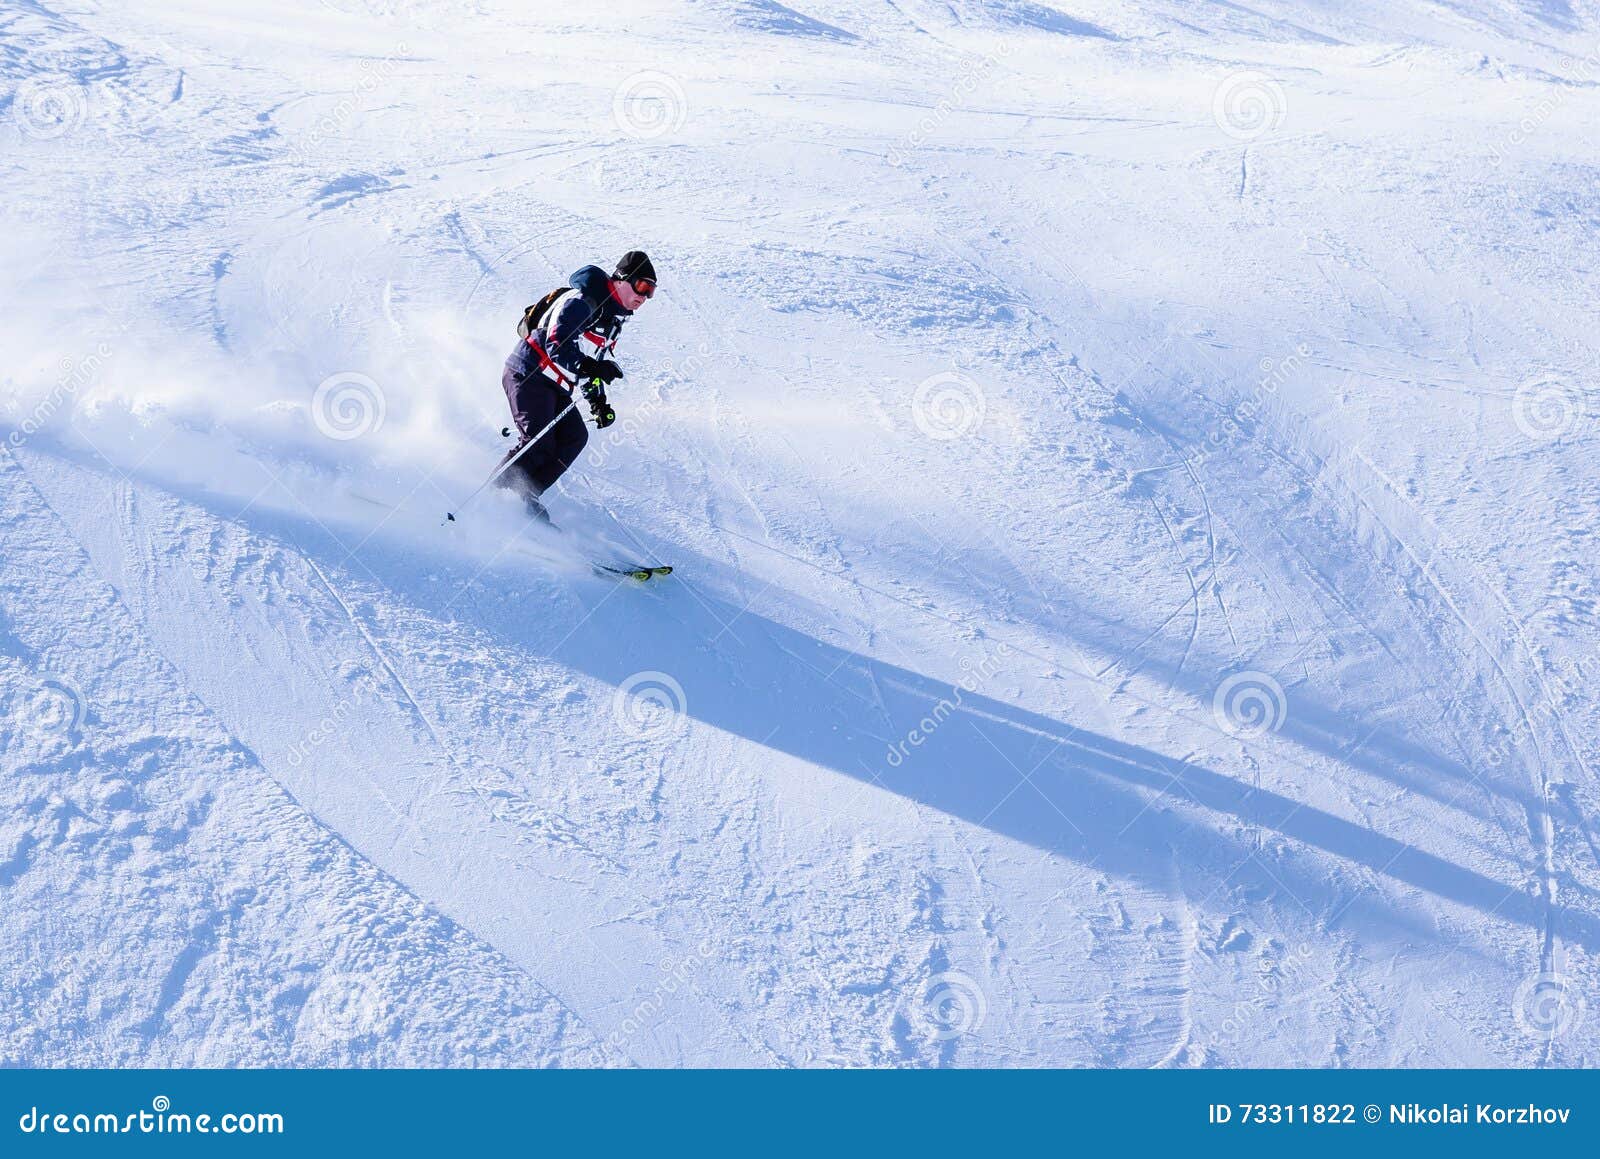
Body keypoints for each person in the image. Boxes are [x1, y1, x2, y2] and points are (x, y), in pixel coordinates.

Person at [497, 250, 657, 521]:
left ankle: (526, 496)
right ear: (620, 280)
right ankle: (496, 497)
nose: (643, 297)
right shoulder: (583, 300)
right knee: (537, 439)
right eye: (641, 286)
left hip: (555, 385)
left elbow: (591, 364)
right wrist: (592, 367)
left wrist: (598, 400)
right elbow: (557, 344)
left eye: (650, 291)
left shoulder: (611, 322)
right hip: (530, 373)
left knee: (574, 437)